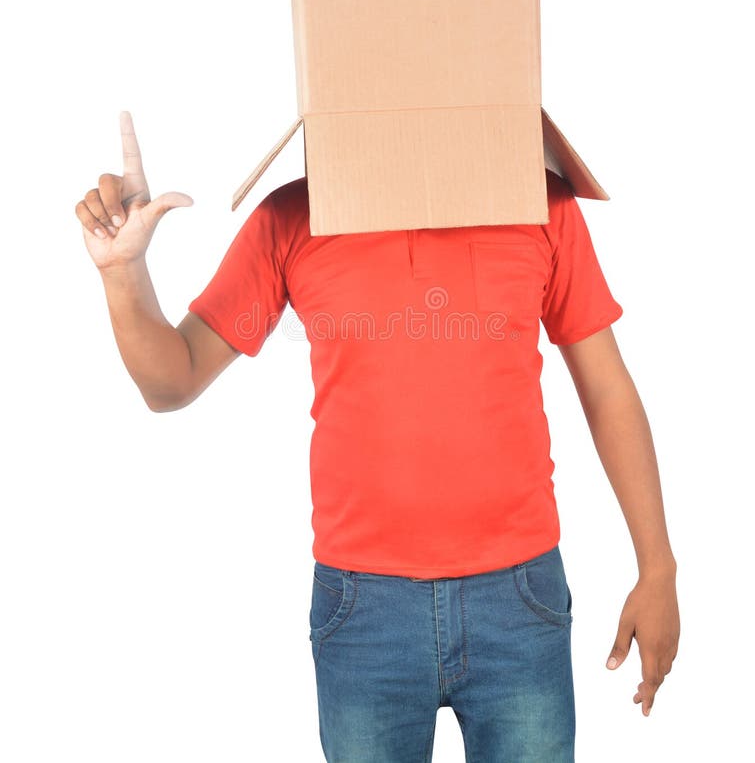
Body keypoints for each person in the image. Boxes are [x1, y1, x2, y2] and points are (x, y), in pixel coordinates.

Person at [76, 111, 680, 762]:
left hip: (518, 597)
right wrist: (122, 272)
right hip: (364, 611)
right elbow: (173, 380)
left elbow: (606, 390)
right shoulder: (294, 217)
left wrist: (657, 567)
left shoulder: (539, 205)